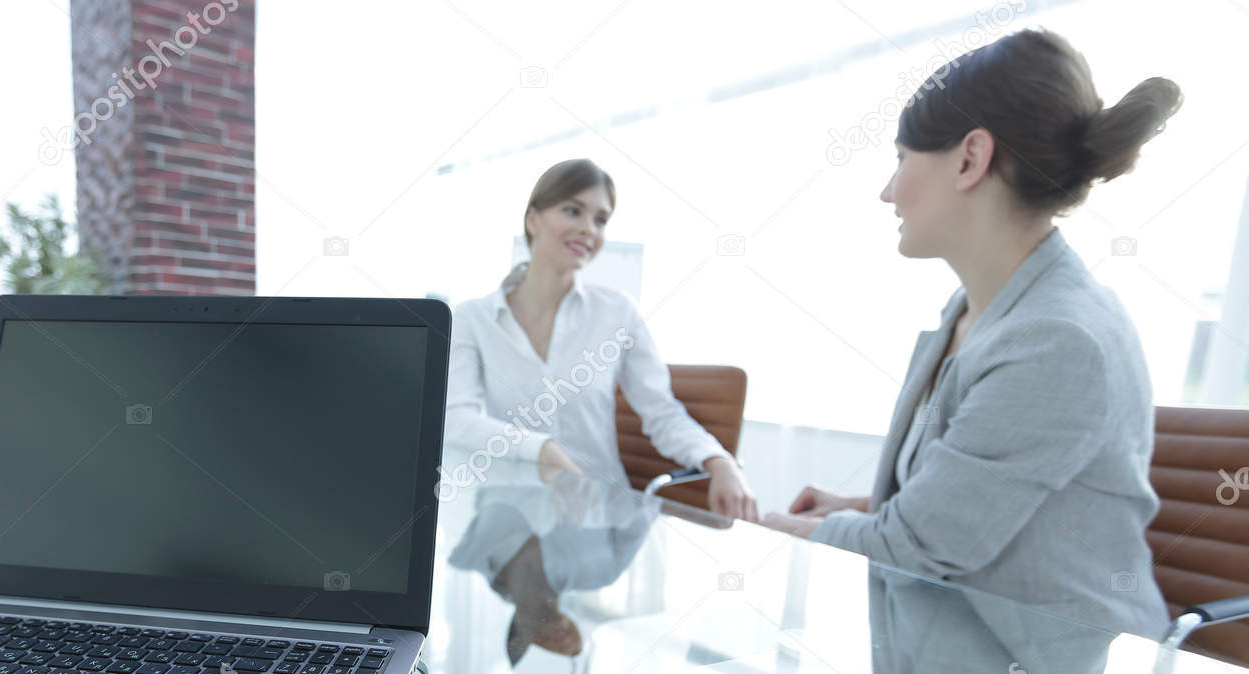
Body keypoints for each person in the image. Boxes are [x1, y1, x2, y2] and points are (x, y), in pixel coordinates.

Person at [762, 30, 1179, 637]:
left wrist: (771, 529)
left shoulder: (1058, 341)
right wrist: (860, 508)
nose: (887, 191)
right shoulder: (973, 309)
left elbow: (913, 549)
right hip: (953, 644)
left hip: (1047, 670)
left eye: (901, 159)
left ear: (970, 159)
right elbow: (968, 507)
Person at [447, 158, 757, 520]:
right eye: (573, 211)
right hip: (507, 517)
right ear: (533, 219)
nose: (588, 230)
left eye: (600, 219)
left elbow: (662, 413)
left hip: (600, 517)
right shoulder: (472, 319)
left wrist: (719, 461)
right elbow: (455, 419)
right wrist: (542, 449)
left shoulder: (618, 313)